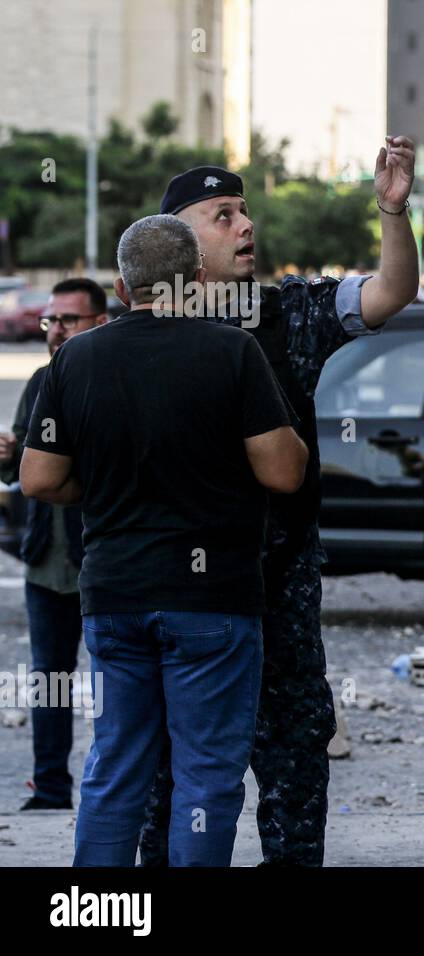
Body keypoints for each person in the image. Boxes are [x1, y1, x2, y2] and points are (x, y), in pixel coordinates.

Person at [140, 136, 418, 866]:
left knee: (294, 754)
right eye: (222, 215)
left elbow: (389, 294)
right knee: (172, 762)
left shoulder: (287, 311)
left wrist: (394, 210)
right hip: (178, 584)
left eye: (245, 211)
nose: (245, 225)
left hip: (276, 581)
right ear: (176, 239)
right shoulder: (144, 330)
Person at [20, 214, 307, 866]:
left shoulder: (77, 359)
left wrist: (108, 484)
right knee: (206, 774)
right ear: (199, 279)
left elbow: (40, 478)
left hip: (116, 593)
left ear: (123, 288)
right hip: (213, 600)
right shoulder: (232, 352)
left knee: (116, 763)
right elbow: (284, 471)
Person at [0, 278, 107, 810]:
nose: (56, 331)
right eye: (50, 321)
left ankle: (111, 795)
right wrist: (8, 454)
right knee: (49, 680)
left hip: (106, 559)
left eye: (69, 320)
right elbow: (24, 472)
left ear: (100, 323)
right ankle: (50, 789)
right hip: (47, 561)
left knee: (119, 682)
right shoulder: (42, 380)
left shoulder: (116, 376)